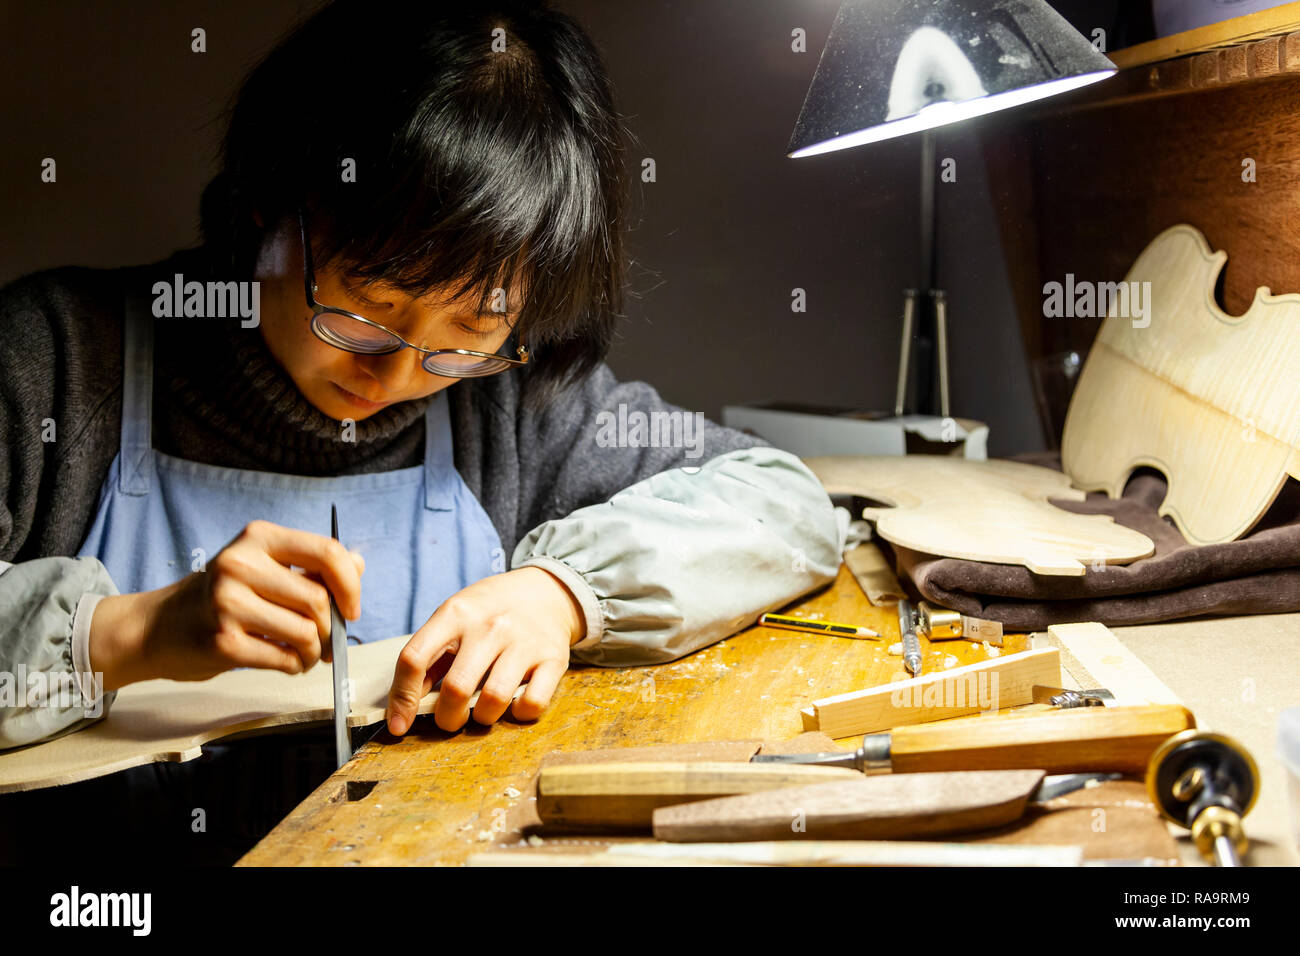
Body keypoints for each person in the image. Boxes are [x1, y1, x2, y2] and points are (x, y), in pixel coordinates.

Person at [0, 0, 843, 753]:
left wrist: (564, 595)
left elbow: (784, 504)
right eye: (366, 307)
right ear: (267, 201)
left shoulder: (510, 401)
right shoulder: (54, 362)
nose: (397, 373)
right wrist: (126, 633)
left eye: (469, 333)